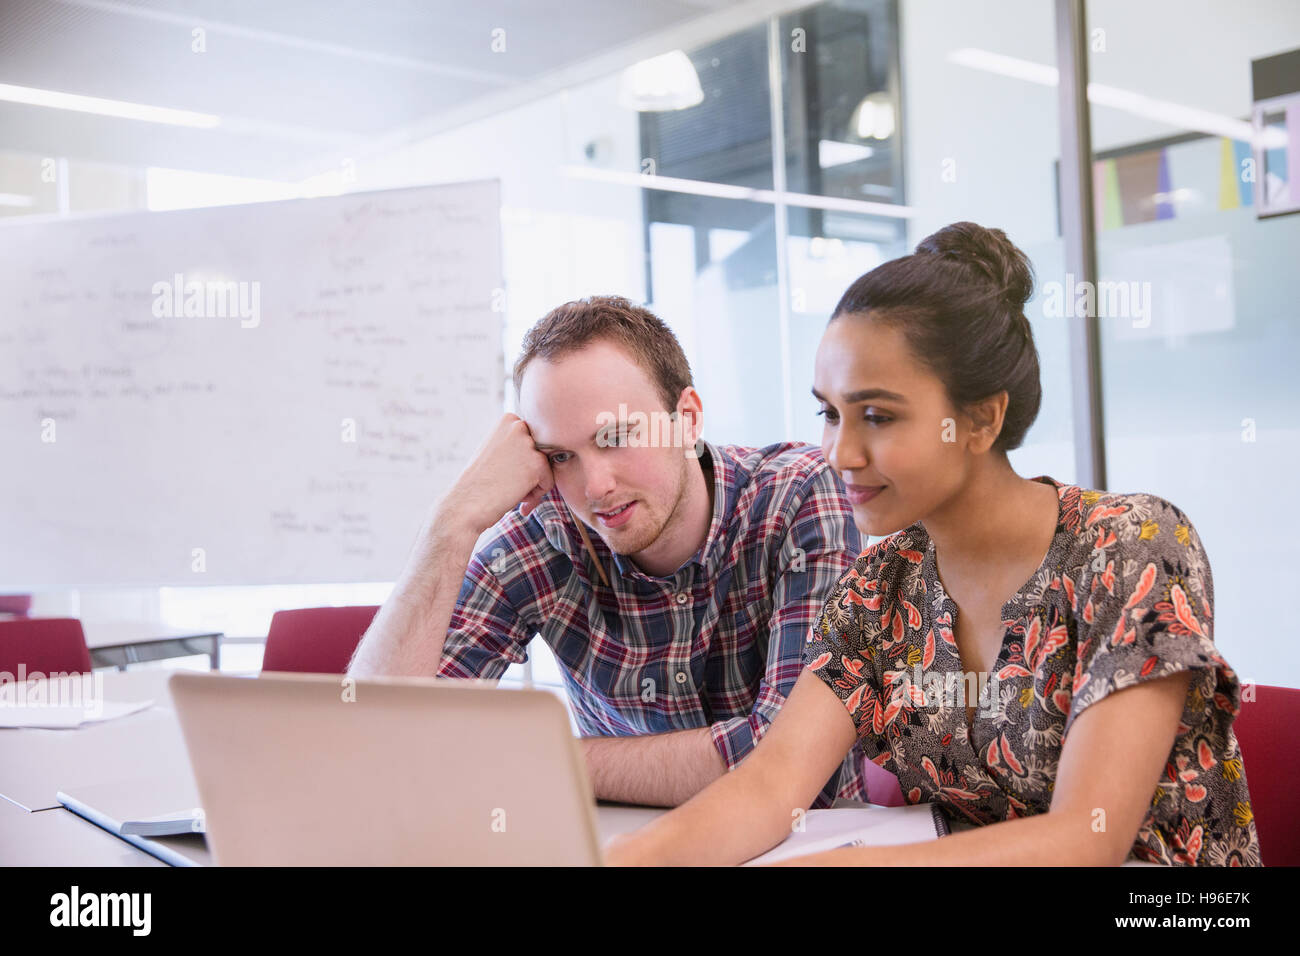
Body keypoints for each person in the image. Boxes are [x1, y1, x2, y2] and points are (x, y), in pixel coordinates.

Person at [605, 222, 1261, 865]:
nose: (839, 453)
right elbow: (770, 787)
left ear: (980, 419)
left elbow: (1085, 840)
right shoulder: (882, 585)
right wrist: (628, 862)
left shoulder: (1130, 548)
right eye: (830, 413)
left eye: (879, 417)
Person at [348, 295, 872, 808]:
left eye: (615, 436)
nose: (594, 486)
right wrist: (450, 522)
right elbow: (378, 749)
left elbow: (794, 768)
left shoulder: (802, 496)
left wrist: (537, 759)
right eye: (560, 456)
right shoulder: (543, 538)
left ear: (687, 420)